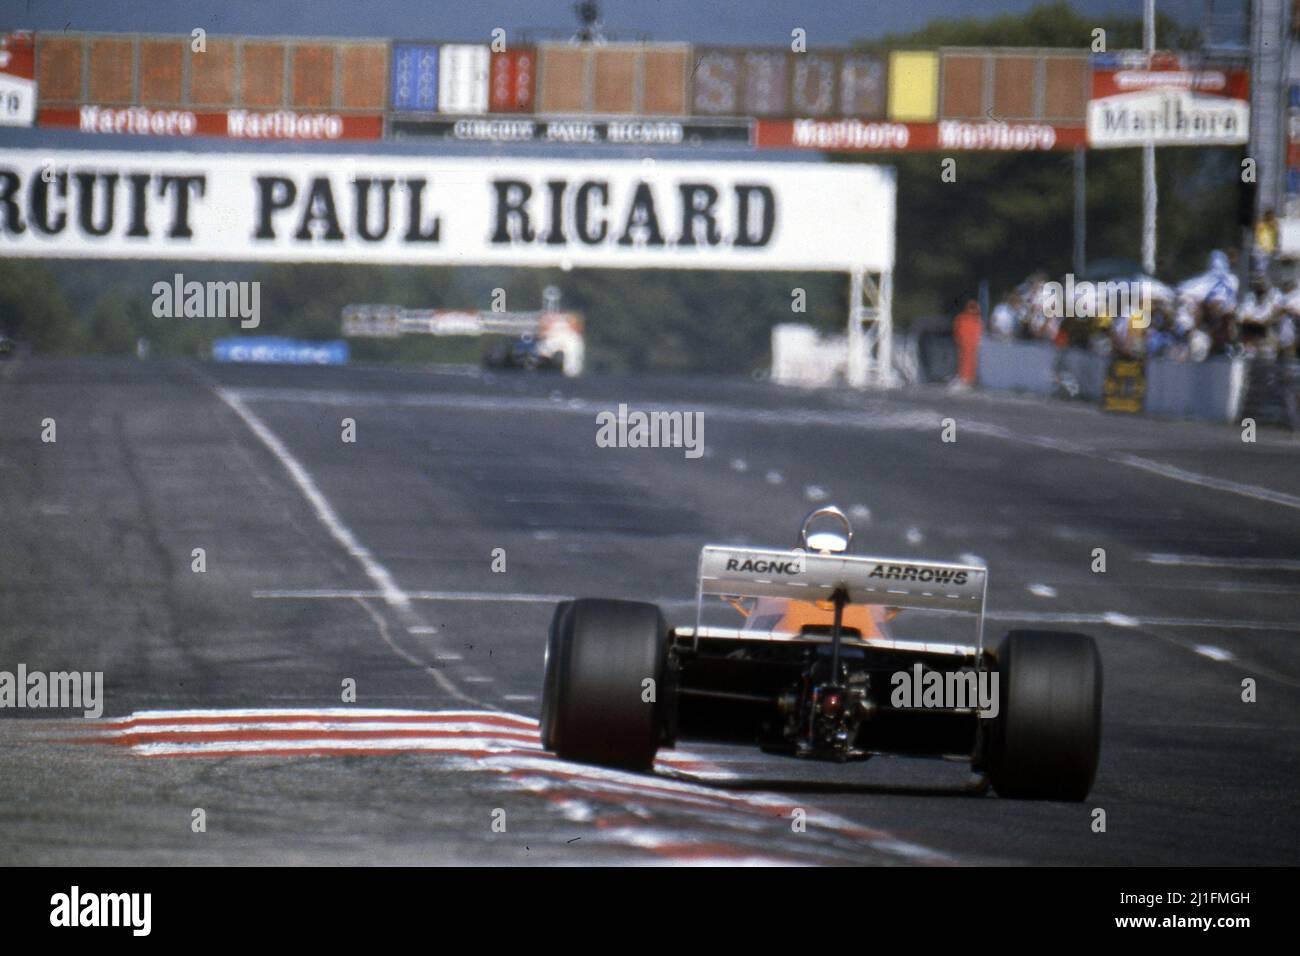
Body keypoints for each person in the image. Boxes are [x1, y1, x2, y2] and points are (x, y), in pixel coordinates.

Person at [952, 298, 983, 387]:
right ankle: (963, 378)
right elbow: (956, 330)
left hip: (973, 345)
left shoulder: (977, 320)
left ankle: (970, 379)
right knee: (963, 361)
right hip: (964, 344)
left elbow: (979, 332)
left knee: (972, 362)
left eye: (974, 308)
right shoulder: (962, 318)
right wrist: (958, 340)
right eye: (971, 308)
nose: (972, 310)